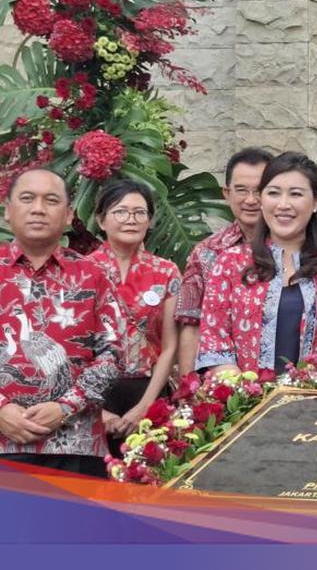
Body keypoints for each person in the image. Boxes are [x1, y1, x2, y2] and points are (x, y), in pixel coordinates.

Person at [0, 168, 123, 477]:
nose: (38, 208)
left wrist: (65, 407)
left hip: (75, 447)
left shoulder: (94, 275)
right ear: (7, 210)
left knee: (73, 527)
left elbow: (113, 355)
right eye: (27, 198)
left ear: (69, 214)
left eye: (51, 200)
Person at [197, 153, 317, 373]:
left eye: (296, 194)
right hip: (246, 400)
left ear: (316, 202)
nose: (283, 205)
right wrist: (244, 394)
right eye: (273, 193)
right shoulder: (230, 262)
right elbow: (214, 342)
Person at [87, 180, 180, 456]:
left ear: (150, 220)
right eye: (121, 212)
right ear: (101, 220)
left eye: (140, 213)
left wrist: (145, 407)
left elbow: (170, 346)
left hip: (149, 389)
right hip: (93, 394)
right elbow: (71, 348)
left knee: (148, 480)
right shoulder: (81, 271)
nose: (131, 220)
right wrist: (98, 413)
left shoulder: (167, 272)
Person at [176, 147, 272, 374]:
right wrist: (188, 391)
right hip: (223, 385)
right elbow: (191, 323)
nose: (250, 200)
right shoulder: (207, 252)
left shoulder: (292, 250)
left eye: (259, 191)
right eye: (241, 190)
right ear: (226, 194)